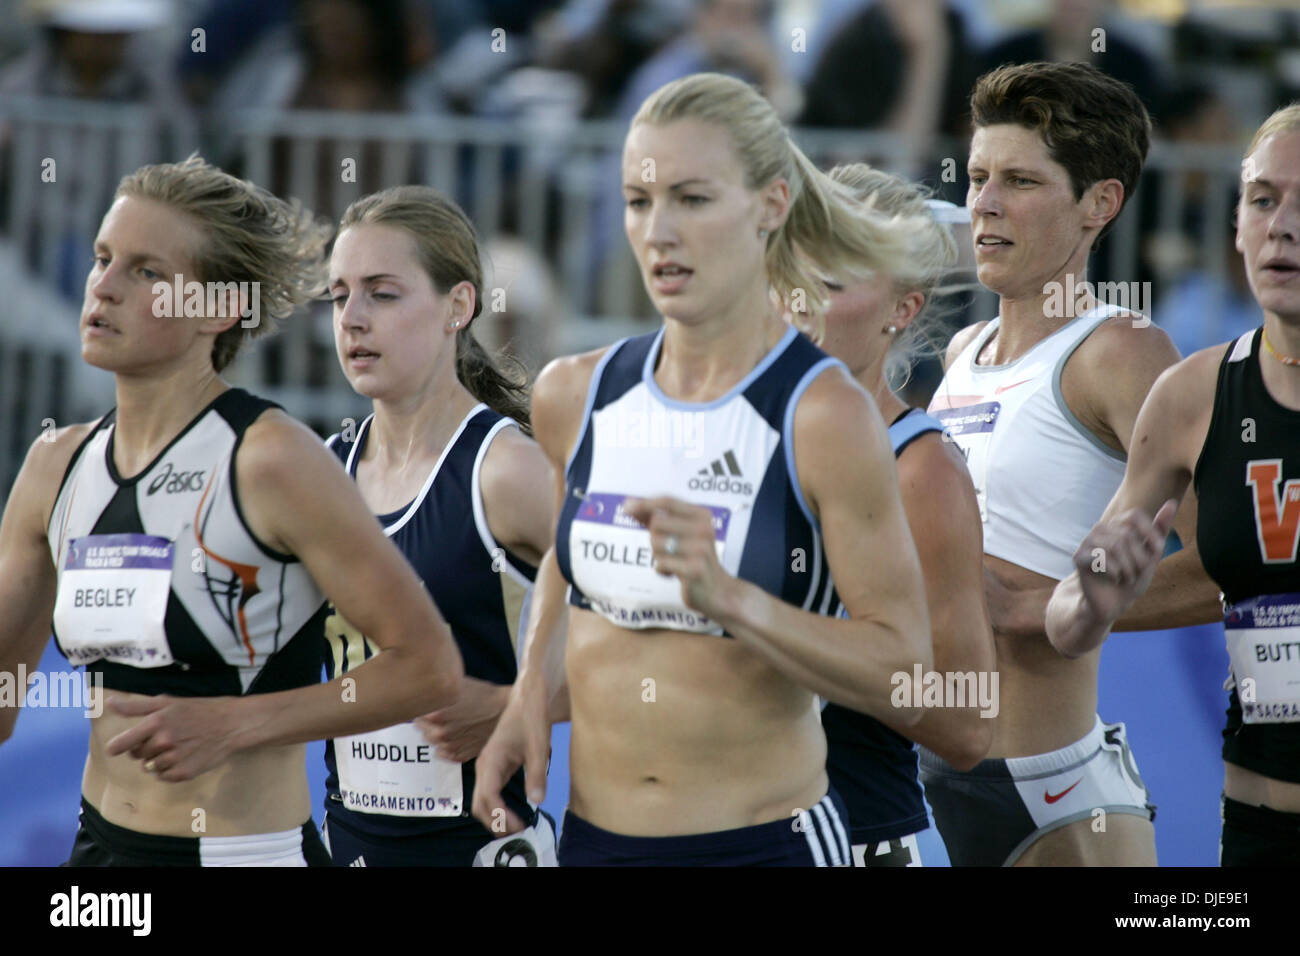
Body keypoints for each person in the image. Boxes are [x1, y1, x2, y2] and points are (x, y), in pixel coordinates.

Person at [472, 71, 934, 866]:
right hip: (595, 841)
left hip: (764, 843)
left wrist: (734, 599)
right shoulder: (573, 391)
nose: (658, 232)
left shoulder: (823, 413)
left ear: (771, 205)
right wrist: (526, 697)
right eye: (638, 200)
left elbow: (906, 670)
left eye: (692, 199)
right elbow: (564, 560)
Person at [0, 155, 463, 866]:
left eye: (148, 272)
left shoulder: (272, 458)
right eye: (102, 258)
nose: (105, 287)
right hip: (98, 855)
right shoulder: (53, 468)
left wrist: (235, 724)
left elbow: (427, 666)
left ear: (217, 309)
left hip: (244, 853)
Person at [921, 61, 1184, 866]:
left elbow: (1233, 563)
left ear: (1098, 204)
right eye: (976, 177)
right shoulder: (963, 350)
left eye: (1021, 181)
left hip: (1058, 796)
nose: (985, 203)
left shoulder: (1120, 351)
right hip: (940, 780)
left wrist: (1040, 611)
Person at [1044, 104, 1300, 866]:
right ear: (1235, 224)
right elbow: (1070, 619)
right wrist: (1096, 586)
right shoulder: (1193, 397)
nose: (1282, 226)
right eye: (1263, 199)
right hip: (1257, 829)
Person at [319, 185, 558, 866]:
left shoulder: (508, 471)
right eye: (339, 296)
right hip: (354, 848)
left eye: (382, 293)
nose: (353, 319)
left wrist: (521, 703)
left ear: (459, 306)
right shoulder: (322, 476)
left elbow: (644, 647)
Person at [813, 163, 994, 866]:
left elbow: (967, 723)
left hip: (858, 841)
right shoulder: (721, 437)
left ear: (902, 309)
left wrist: (787, 632)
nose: (799, 298)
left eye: (834, 279)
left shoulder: (920, 469)